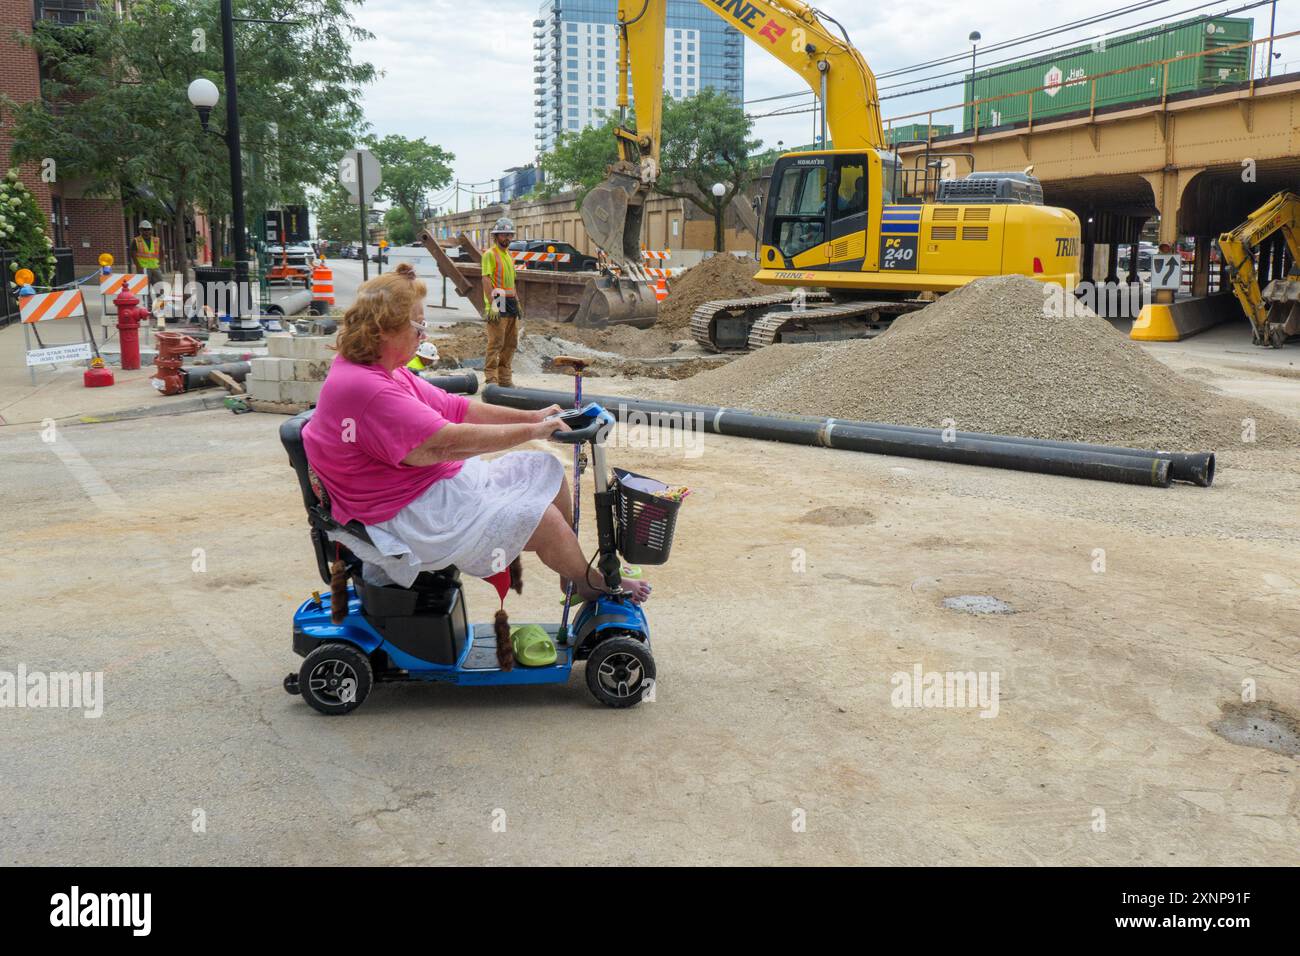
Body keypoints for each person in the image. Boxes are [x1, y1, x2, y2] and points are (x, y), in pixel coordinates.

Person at [302, 261, 651, 603]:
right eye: (418, 327)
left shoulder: (386, 370)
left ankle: (571, 576)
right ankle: (590, 581)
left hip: (425, 489)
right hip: (405, 513)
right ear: (382, 330)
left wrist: (533, 416)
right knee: (542, 520)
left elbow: (456, 408)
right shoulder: (369, 388)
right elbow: (444, 444)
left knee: (547, 471)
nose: (424, 337)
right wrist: (534, 430)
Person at [481, 216, 520, 386]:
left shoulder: (509, 256)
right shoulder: (490, 254)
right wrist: (492, 305)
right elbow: (486, 279)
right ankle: (491, 379)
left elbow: (512, 282)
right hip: (499, 300)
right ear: (496, 236)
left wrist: (517, 302)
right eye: (504, 235)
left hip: (510, 301)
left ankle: (505, 379)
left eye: (510, 235)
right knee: (496, 343)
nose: (507, 238)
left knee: (511, 343)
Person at [131, 220, 164, 295]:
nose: (146, 231)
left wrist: (161, 263)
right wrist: (138, 266)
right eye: (144, 229)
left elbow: (162, 251)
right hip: (143, 268)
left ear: (151, 230)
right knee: (145, 290)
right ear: (140, 230)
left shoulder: (156, 240)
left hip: (155, 268)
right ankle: (148, 306)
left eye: (148, 229)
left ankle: (160, 305)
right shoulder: (136, 241)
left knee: (160, 289)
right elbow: (133, 255)